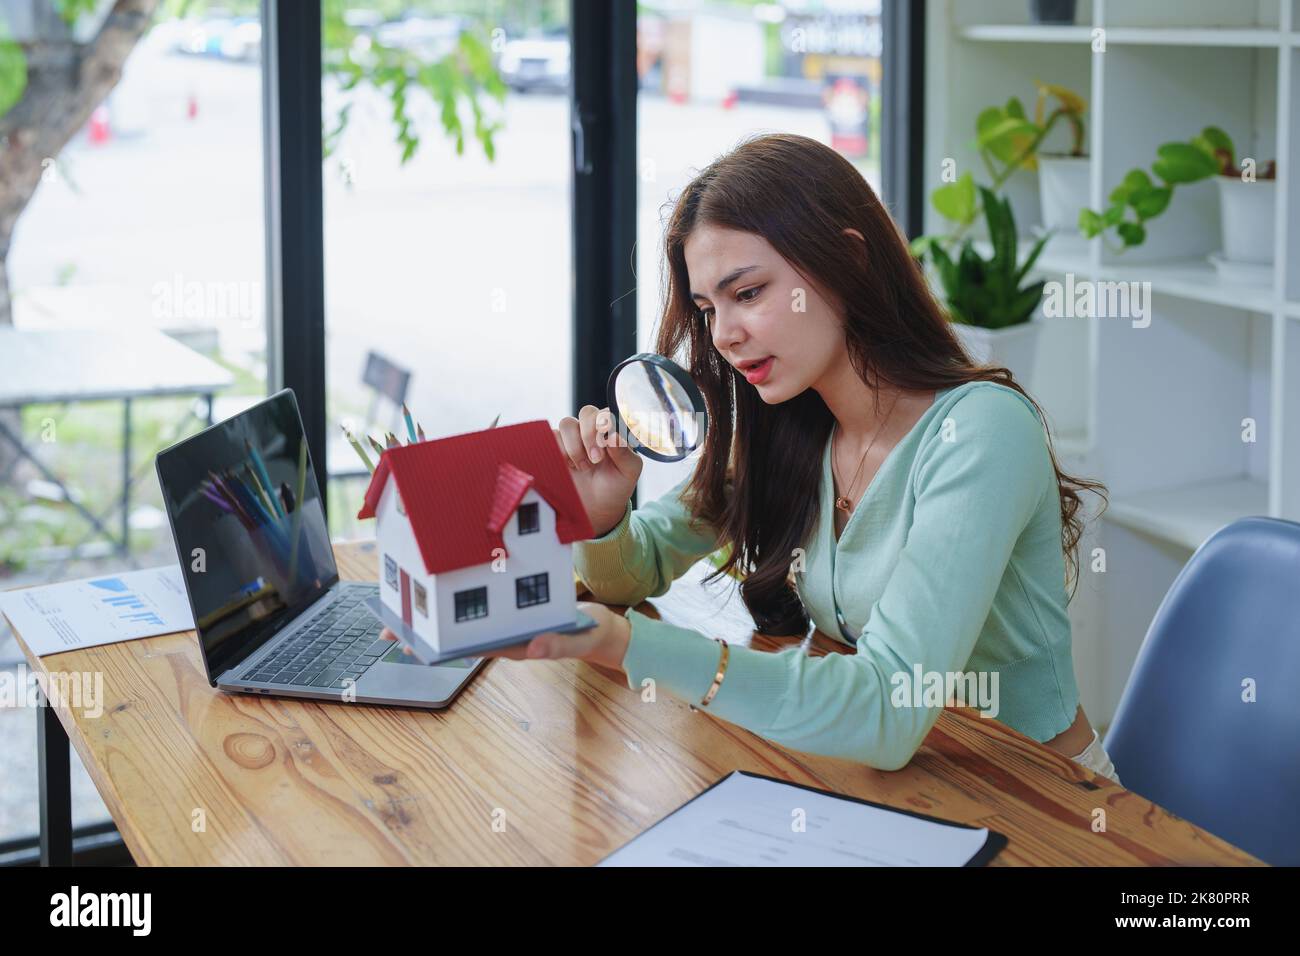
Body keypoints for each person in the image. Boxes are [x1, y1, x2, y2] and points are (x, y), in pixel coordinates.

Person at [388, 133, 1120, 783]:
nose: (726, 335)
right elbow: (636, 572)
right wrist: (605, 518)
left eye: (749, 292)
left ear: (850, 261)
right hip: (881, 785)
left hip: (1038, 804)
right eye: (708, 309)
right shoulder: (795, 426)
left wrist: (620, 643)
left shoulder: (981, 433)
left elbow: (889, 713)